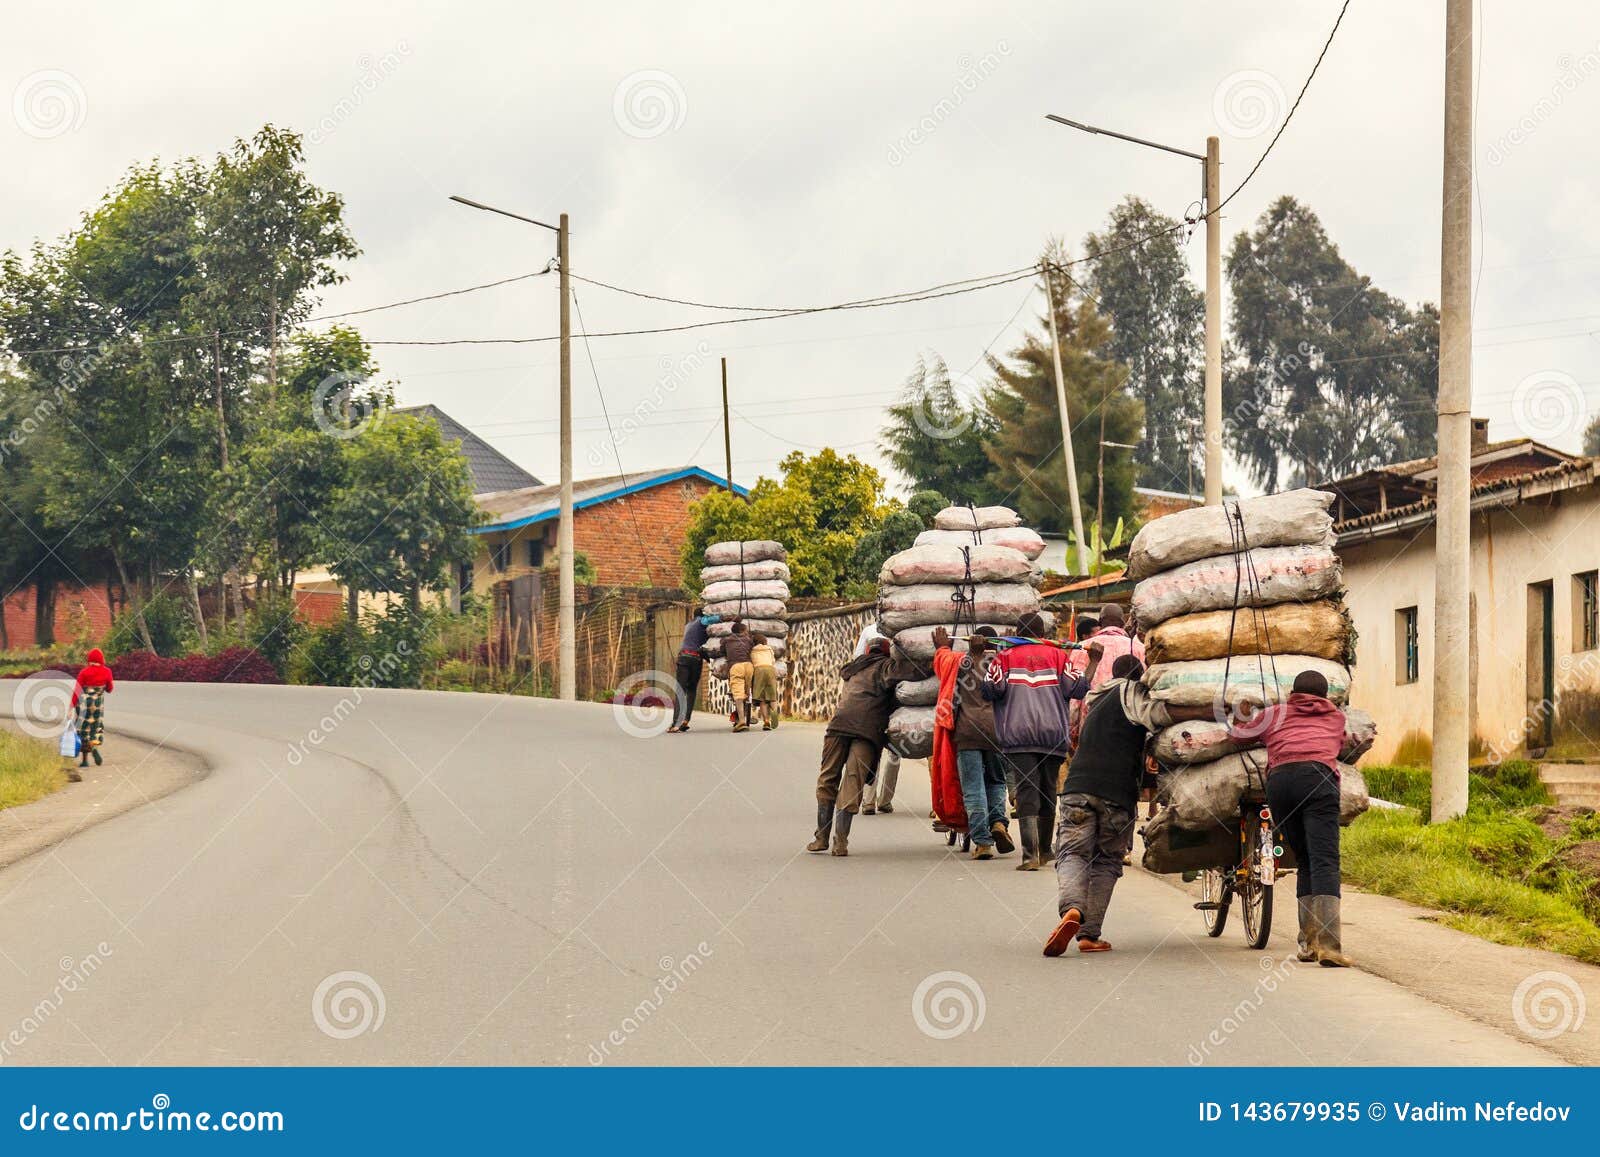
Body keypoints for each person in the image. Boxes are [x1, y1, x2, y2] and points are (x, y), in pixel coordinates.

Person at [1043, 654, 1205, 955]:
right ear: (1139, 676)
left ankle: (1072, 908)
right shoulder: (1131, 694)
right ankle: (1089, 934)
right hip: (1116, 796)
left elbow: (1072, 735)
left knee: (1072, 853)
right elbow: (1163, 715)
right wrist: (1214, 709)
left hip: (1077, 788)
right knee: (1106, 861)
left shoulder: (1095, 698)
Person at [1231, 670, 1352, 967]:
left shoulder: (1275, 713)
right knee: (1324, 860)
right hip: (1319, 781)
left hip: (1281, 784)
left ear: (1293, 693)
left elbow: (1238, 737)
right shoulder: (1335, 717)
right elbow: (1345, 744)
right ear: (1324, 696)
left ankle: (1307, 945)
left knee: (1304, 860)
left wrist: (1243, 717)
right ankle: (1329, 946)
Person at [984, 612, 1087, 871]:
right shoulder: (1059, 656)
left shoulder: (1004, 658)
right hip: (1053, 735)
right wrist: (1093, 662)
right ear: (1042, 634)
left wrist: (976, 658)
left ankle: (1029, 855)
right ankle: (1044, 850)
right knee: (1048, 791)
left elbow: (990, 691)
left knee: (1028, 790)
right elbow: (1078, 689)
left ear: (1018, 632)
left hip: (1019, 736)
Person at [806, 637, 920, 857]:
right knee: (852, 781)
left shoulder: (852, 669)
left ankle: (821, 838)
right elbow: (912, 672)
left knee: (827, 778)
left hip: (838, 725)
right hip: (867, 730)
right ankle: (840, 842)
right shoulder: (884, 667)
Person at [931, 626, 1013, 860]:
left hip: (967, 734)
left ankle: (983, 842)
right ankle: (998, 823)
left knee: (973, 787)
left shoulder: (960, 662)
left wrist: (942, 646)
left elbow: (942, 661)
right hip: (998, 733)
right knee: (996, 782)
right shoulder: (1003, 664)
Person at [853, 621, 902, 815]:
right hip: (897, 700)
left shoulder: (869, 630)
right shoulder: (903, 632)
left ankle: (868, 801)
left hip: (873, 702)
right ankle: (884, 800)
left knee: (873, 751)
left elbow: (857, 657)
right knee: (895, 752)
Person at [667, 609, 719, 733]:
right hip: (696, 659)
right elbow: (715, 619)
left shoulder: (688, 625)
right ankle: (685, 720)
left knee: (680, 690)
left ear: (693, 615)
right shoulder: (702, 621)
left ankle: (675, 724)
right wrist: (725, 617)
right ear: (702, 615)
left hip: (683, 657)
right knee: (691, 690)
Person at [71, 647, 114, 770]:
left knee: (83, 730)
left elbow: (77, 690)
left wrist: (71, 707)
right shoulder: (107, 672)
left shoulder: (84, 672)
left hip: (83, 706)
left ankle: (85, 761)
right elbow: (110, 689)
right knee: (95, 728)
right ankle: (94, 747)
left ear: (89, 659)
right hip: (97, 707)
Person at [1083, 603, 1142, 689]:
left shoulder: (1082, 646)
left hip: (1091, 701)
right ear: (1122, 624)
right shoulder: (1138, 647)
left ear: (1100, 622)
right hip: (1126, 700)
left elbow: (1074, 686)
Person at [721, 620, 755, 732]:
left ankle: (741, 721)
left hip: (736, 667)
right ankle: (752, 710)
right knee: (748, 689)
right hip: (749, 666)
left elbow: (722, 652)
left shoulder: (726, 640)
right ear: (741, 631)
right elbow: (752, 650)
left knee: (738, 696)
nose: (746, 632)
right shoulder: (749, 640)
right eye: (745, 631)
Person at [750, 632, 781, 730]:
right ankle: (774, 714)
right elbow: (773, 661)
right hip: (770, 669)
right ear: (764, 641)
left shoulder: (752, 650)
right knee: (772, 697)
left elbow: (751, 662)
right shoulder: (769, 649)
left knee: (762, 699)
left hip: (759, 670)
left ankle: (766, 721)